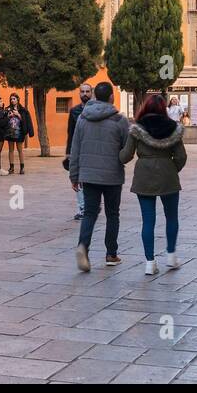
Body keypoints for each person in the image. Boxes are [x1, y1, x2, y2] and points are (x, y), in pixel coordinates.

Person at [121, 93, 187, 275]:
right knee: (172, 217)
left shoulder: (136, 129)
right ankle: (172, 256)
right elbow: (181, 157)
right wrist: (172, 169)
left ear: (145, 108)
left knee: (148, 220)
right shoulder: (174, 128)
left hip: (144, 176)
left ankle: (150, 263)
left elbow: (126, 155)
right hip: (168, 176)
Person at [69, 82, 131, 271]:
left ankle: (83, 246)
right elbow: (126, 151)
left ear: (95, 96)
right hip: (112, 175)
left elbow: (75, 148)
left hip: (88, 174)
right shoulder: (120, 120)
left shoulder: (83, 118)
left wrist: (74, 175)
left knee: (89, 212)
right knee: (112, 214)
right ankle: (111, 254)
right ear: (111, 97)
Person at [65, 82, 93, 218]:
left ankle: (92, 206)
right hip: (78, 150)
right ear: (79, 93)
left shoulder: (96, 110)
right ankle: (82, 208)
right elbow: (70, 133)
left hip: (93, 150)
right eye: (82, 92)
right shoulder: (74, 111)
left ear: (92, 93)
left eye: (87, 91)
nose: (85, 94)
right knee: (79, 179)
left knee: (91, 181)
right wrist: (68, 152)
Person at [4, 93, 34, 175]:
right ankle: (11, 168)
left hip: (20, 133)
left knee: (20, 150)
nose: (12, 100)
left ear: (18, 99)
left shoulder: (23, 110)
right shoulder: (7, 109)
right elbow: (4, 120)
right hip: (10, 132)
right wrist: (8, 116)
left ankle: (22, 167)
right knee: (11, 150)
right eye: (11, 99)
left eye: (14, 98)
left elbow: (26, 121)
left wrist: (18, 115)